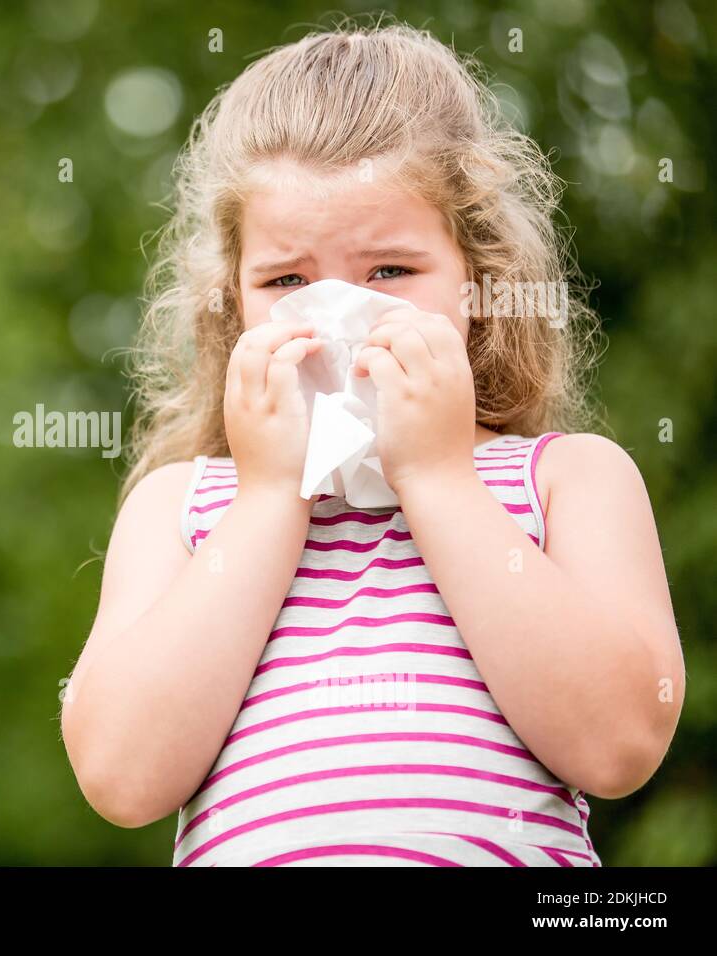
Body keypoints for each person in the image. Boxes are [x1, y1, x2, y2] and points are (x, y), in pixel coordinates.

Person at [60, 21, 685, 867]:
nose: (337, 317)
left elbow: (618, 746)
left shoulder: (565, 480)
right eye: (287, 281)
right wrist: (269, 499)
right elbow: (121, 777)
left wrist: (435, 476)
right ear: (233, 303)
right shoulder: (184, 507)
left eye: (390, 272)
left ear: (478, 283)